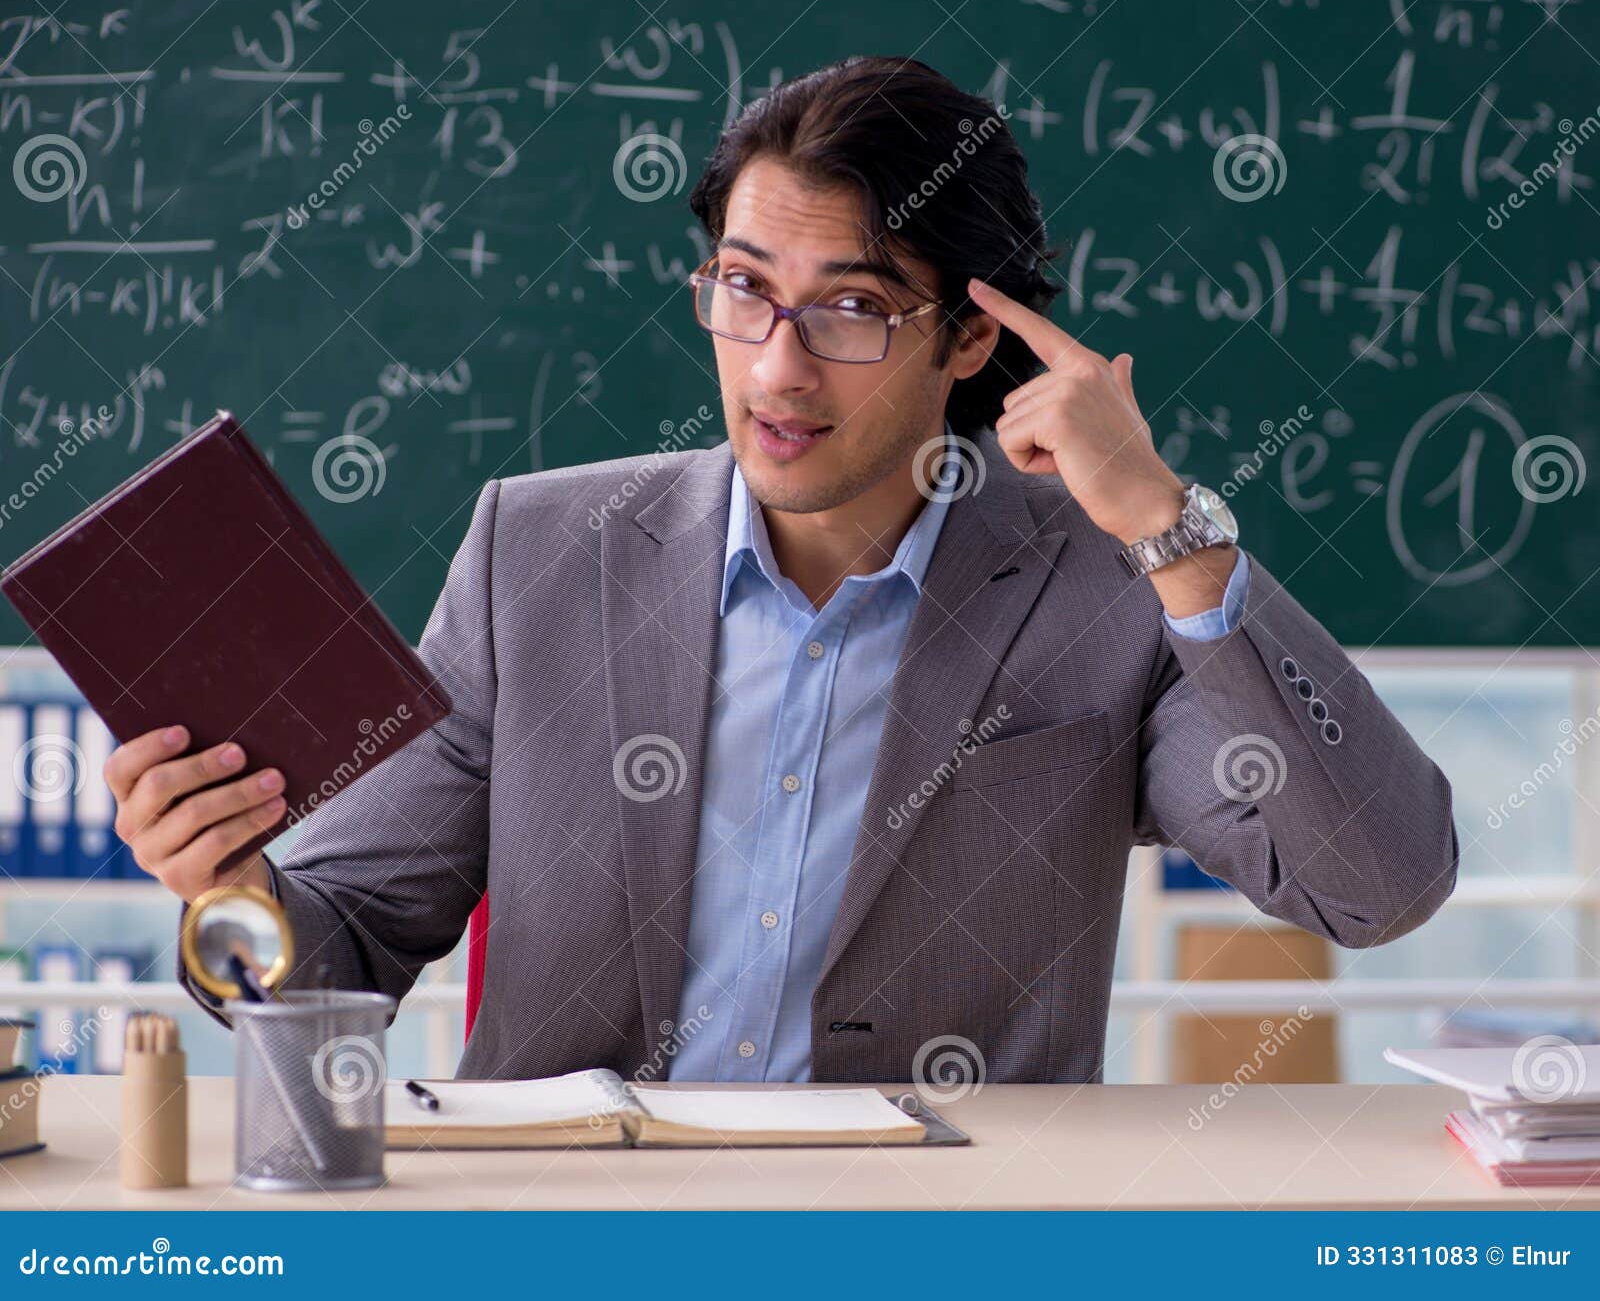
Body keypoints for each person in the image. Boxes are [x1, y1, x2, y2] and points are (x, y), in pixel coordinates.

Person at [106, 56, 1458, 1084]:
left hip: (929, 1247)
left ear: (975, 340)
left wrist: (1172, 527)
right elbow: (336, 947)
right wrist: (230, 885)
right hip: (574, 1246)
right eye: (744, 289)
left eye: (855, 309)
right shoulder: (540, 554)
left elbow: (1378, 883)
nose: (777, 368)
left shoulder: (1100, 591)